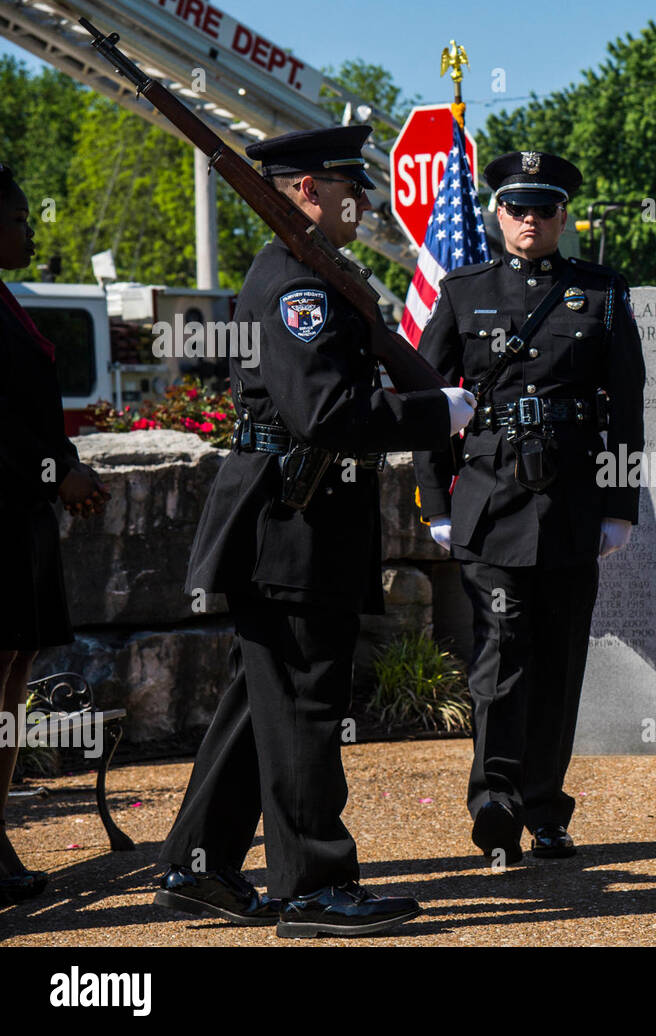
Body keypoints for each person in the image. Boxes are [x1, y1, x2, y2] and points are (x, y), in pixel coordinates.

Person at [154, 127, 476, 938]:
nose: (360, 203)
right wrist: (437, 411)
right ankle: (312, 886)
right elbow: (325, 412)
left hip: (293, 520)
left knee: (258, 706)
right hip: (290, 523)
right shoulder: (295, 284)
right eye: (346, 189)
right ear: (303, 192)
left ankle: (198, 868)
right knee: (303, 704)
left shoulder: (314, 277)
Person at [413, 150, 645, 864]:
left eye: (545, 209)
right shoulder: (461, 289)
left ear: (562, 216)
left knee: (559, 664)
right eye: (518, 207)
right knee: (498, 657)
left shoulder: (601, 292)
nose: (530, 221)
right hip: (490, 502)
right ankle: (494, 799)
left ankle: (546, 809)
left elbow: (629, 408)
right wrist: (435, 502)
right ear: (498, 212)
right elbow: (428, 403)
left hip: (573, 502)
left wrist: (621, 506)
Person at [0, 161, 109, 907]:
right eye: (17, 217)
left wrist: (64, 463)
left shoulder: (7, 302)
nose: (29, 227)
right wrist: (54, 474)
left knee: (13, 673)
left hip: (20, 516)